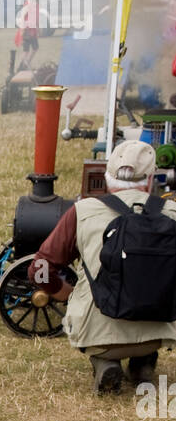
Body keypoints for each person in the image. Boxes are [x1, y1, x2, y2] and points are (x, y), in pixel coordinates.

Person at [28, 140, 176, 394]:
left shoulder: (82, 211)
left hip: (97, 335)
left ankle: (105, 362)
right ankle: (143, 362)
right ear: (150, 181)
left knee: (98, 328)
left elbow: (39, 268)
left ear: (107, 178)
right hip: (160, 331)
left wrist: (64, 293)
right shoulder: (172, 212)